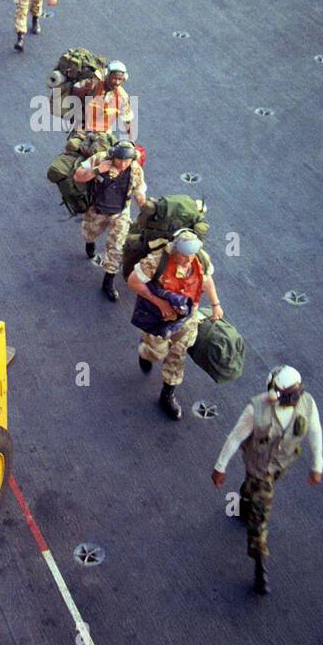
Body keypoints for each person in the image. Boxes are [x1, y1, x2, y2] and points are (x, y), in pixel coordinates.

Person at [211, 365, 323, 595]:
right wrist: (220, 467)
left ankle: (244, 501)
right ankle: (259, 565)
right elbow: (235, 437)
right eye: (291, 394)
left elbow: (314, 432)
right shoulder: (256, 410)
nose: (296, 398)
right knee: (259, 519)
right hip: (259, 469)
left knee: (252, 492)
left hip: (280, 466)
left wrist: (317, 464)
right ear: (275, 393)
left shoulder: (307, 403)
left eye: (297, 392)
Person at [127, 229, 223, 420]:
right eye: (185, 256)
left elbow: (206, 280)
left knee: (178, 354)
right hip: (158, 319)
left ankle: (167, 394)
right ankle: (146, 351)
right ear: (175, 251)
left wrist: (215, 304)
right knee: (158, 353)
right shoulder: (156, 261)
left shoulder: (199, 259)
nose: (190, 259)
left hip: (187, 316)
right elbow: (133, 282)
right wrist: (159, 302)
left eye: (192, 254)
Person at [75, 140, 147, 302]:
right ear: (113, 156)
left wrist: (146, 211)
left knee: (117, 248)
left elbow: (140, 194)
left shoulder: (135, 170)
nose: (122, 164)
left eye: (127, 161)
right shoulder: (100, 159)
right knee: (89, 233)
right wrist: (97, 170)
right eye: (119, 160)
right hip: (97, 209)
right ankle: (90, 242)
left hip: (120, 212)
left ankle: (108, 280)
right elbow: (78, 176)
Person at [84, 61, 134, 136]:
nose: (117, 82)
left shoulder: (122, 97)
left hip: (103, 133)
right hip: (83, 126)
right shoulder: (97, 85)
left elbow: (127, 120)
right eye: (114, 78)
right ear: (107, 76)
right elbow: (90, 89)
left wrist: (132, 140)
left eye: (120, 79)